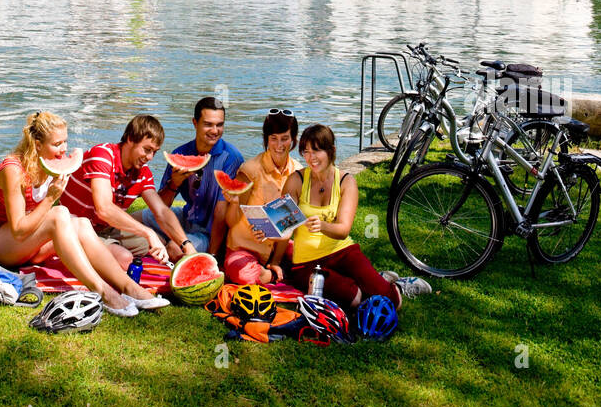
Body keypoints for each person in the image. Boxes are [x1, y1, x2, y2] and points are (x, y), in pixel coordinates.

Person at [0, 110, 169, 316]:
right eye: (56, 144)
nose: (63, 150)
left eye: (65, 142)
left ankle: (130, 288)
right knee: (59, 214)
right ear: (37, 145)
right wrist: (50, 198)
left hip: (24, 243)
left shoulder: (50, 165)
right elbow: (19, 230)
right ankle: (103, 292)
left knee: (81, 223)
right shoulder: (13, 170)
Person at [271, 123, 431, 311]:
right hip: (307, 263)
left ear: (332, 151)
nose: (310, 158)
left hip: (342, 252)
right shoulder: (295, 180)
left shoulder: (346, 182)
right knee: (353, 299)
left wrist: (322, 225)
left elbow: (343, 230)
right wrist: (274, 260)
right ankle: (369, 280)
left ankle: (395, 285)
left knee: (391, 302)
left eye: (317, 151)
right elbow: (283, 227)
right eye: (306, 152)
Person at [61, 115, 201, 268]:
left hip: (106, 227)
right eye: (147, 150)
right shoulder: (102, 155)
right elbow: (104, 209)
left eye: (154, 152)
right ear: (130, 139)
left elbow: (161, 211)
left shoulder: (142, 172)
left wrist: (186, 245)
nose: (150, 157)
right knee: (125, 258)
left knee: (158, 243)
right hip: (75, 227)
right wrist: (148, 232)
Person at [141, 96, 244, 260]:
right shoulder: (180, 153)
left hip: (208, 231)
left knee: (174, 249)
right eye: (208, 124)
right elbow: (160, 207)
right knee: (137, 219)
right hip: (186, 216)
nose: (214, 130)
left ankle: (166, 241)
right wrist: (173, 184)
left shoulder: (231, 158)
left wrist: (213, 256)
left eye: (219, 124)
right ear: (195, 123)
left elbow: (220, 214)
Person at [221, 108, 301, 286]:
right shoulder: (249, 170)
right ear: (266, 139)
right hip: (243, 250)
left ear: (294, 139)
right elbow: (231, 222)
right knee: (245, 276)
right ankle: (273, 277)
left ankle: (273, 270)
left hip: (276, 248)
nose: (279, 145)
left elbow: (288, 227)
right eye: (273, 138)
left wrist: (275, 262)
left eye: (285, 138)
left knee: (313, 257)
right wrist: (234, 202)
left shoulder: (297, 172)